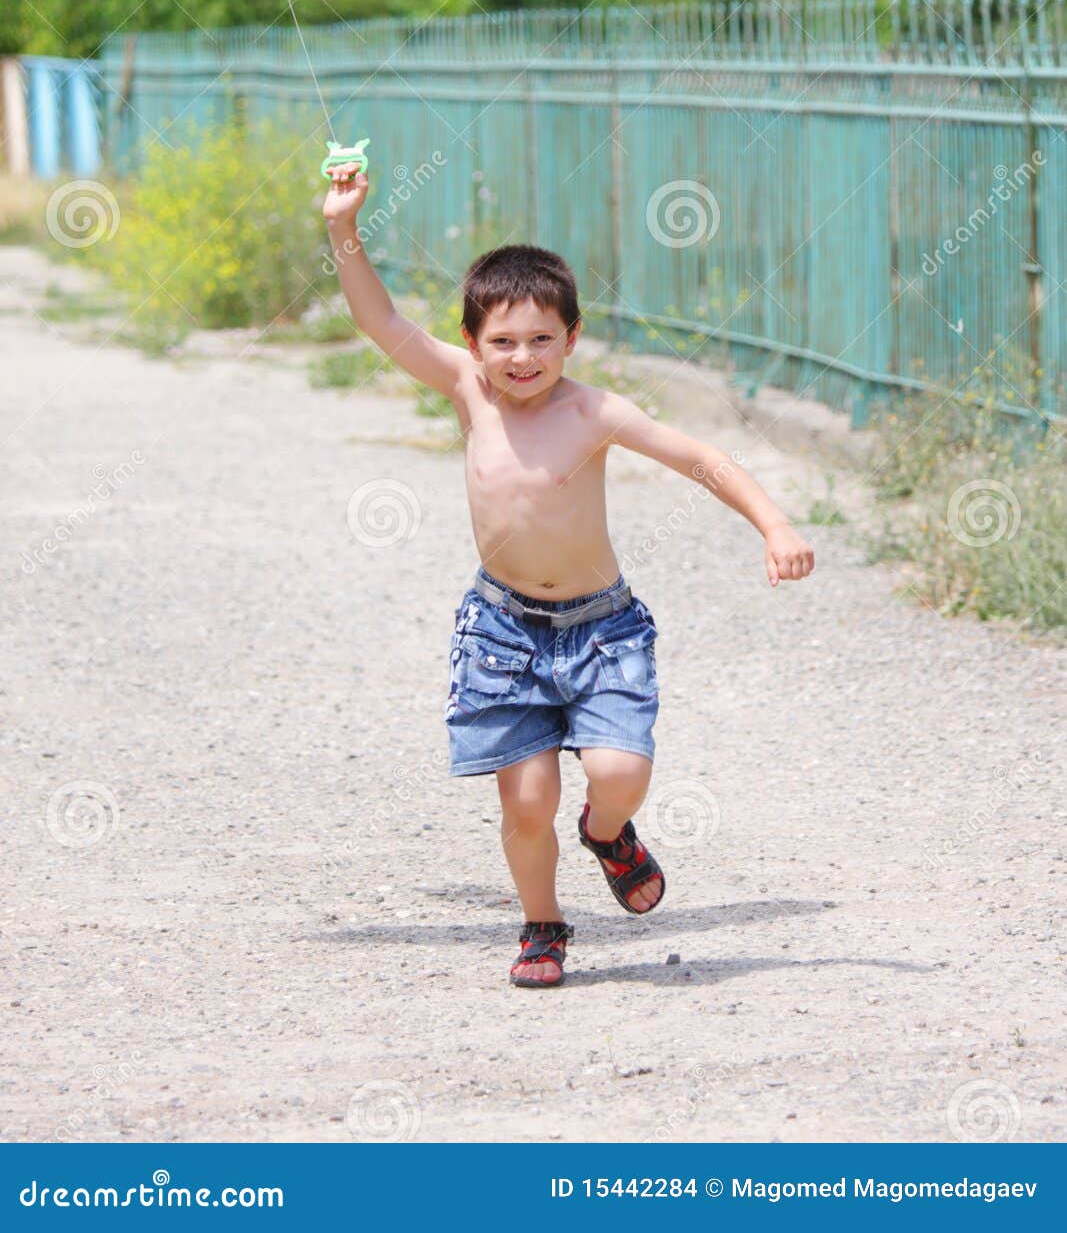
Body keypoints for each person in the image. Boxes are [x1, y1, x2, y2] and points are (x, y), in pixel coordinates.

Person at [323, 162, 815, 988]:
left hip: (601, 629)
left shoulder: (594, 412)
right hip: (503, 632)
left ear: (572, 338)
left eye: (541, 339)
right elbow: (379, 319)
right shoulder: (466, 391)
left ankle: (607, 833)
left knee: (620, 774)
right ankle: (543, 925)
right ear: (471, 344)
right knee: (524, 801)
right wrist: (343, 226)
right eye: (501, 342)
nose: (521, 358)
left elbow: (699, 457)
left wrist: (775, 524)